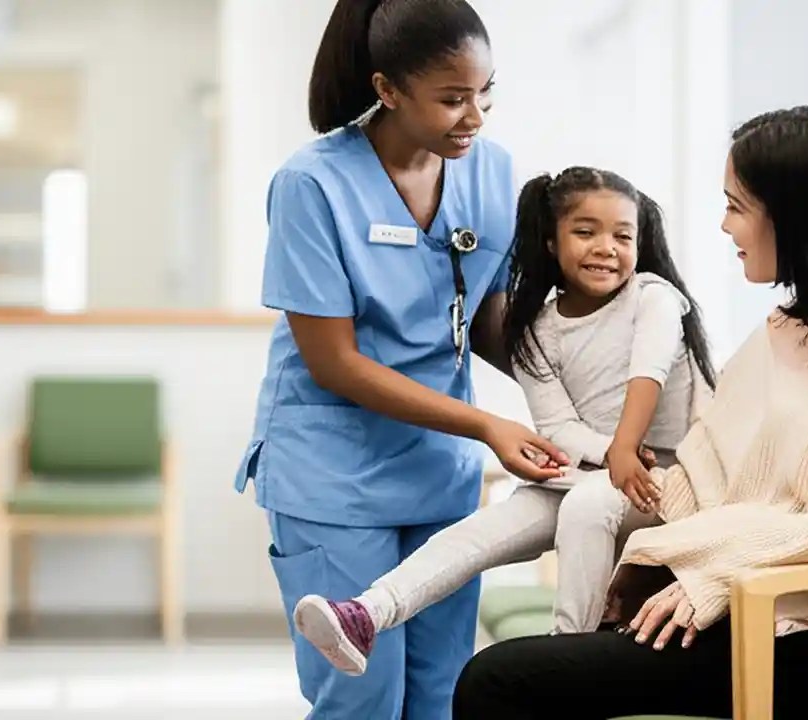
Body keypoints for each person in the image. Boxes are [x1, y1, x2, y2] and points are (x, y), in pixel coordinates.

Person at [451, 106, 808, 720]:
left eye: (737, 205)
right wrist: (638, 548)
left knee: (501, 682)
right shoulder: (783, 330)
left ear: (792, 215)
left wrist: (714, 573)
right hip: (741, 613)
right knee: (523, 670)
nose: (723, 224)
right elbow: (698, 475)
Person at [232, 1, 576, 717]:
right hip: (333, 474)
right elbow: (334, 363)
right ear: (388, 89)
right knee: (364, 697)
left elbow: (488, 323)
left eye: (485, 95)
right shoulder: (313, 184)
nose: (474, 117)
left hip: (438, 471)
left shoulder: (493, 174)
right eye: (452, 99)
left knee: (441, 691)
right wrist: (487, 426)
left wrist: (594, 393)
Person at [293, 166, 717, 676]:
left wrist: (625, 449)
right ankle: (367, 612)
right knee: (475, 534)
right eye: (585, 232)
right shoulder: (538, 329)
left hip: (666, 479)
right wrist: (610, 452)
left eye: (622, 236)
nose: (606, 246)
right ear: (551, 241)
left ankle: (567, 657)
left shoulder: (654, 297)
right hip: (595, 471)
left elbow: (647, 371)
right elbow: (557, 425)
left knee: (586, 505)